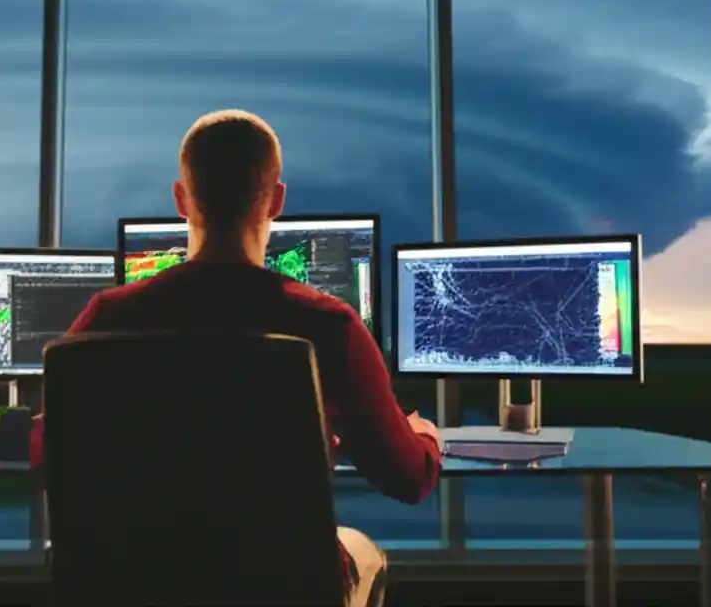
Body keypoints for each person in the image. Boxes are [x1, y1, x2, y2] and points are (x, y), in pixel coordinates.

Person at [30, 109, 442, 607]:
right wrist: (423, 437)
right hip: (281, 587)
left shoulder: (107, 317)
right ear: (277, 201)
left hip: (135, 583)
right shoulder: (328, 325)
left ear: (180, 199)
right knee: (364, 549)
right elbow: (408, 479)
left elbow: (49, 449)